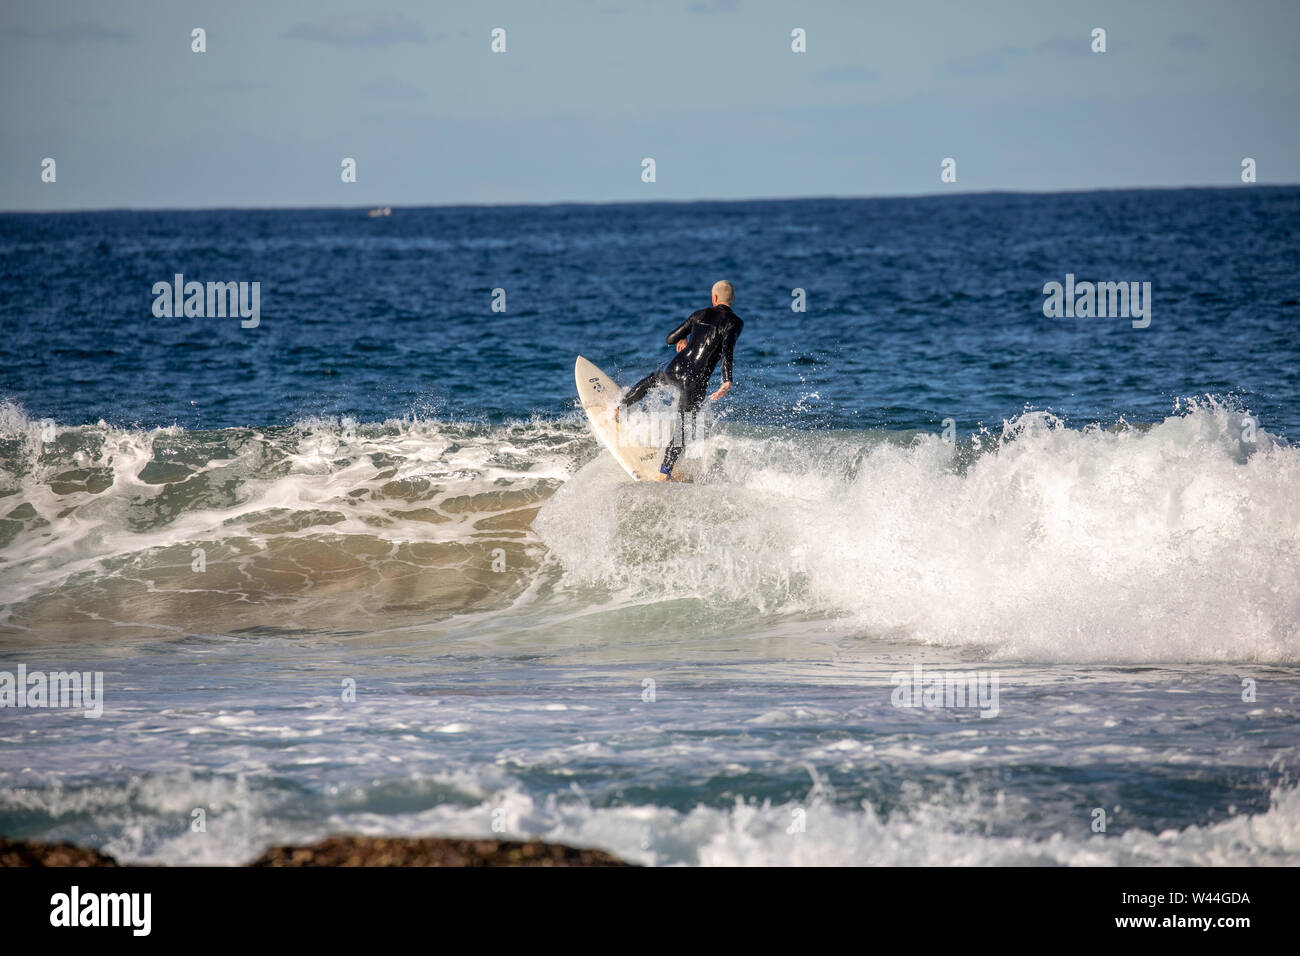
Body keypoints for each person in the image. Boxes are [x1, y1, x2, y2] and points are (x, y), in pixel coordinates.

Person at [617, 280, 744, 481]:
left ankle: (620, 407)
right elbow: (727, 351)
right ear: (733, 299)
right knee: (683, 426)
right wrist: (727, 380)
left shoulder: (699, 314)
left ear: (714, 298)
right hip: (696, 380)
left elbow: (670, 338)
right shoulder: (735, 323)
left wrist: (682, 339)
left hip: (676, 367)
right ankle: (664, 472)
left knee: (653, 379)